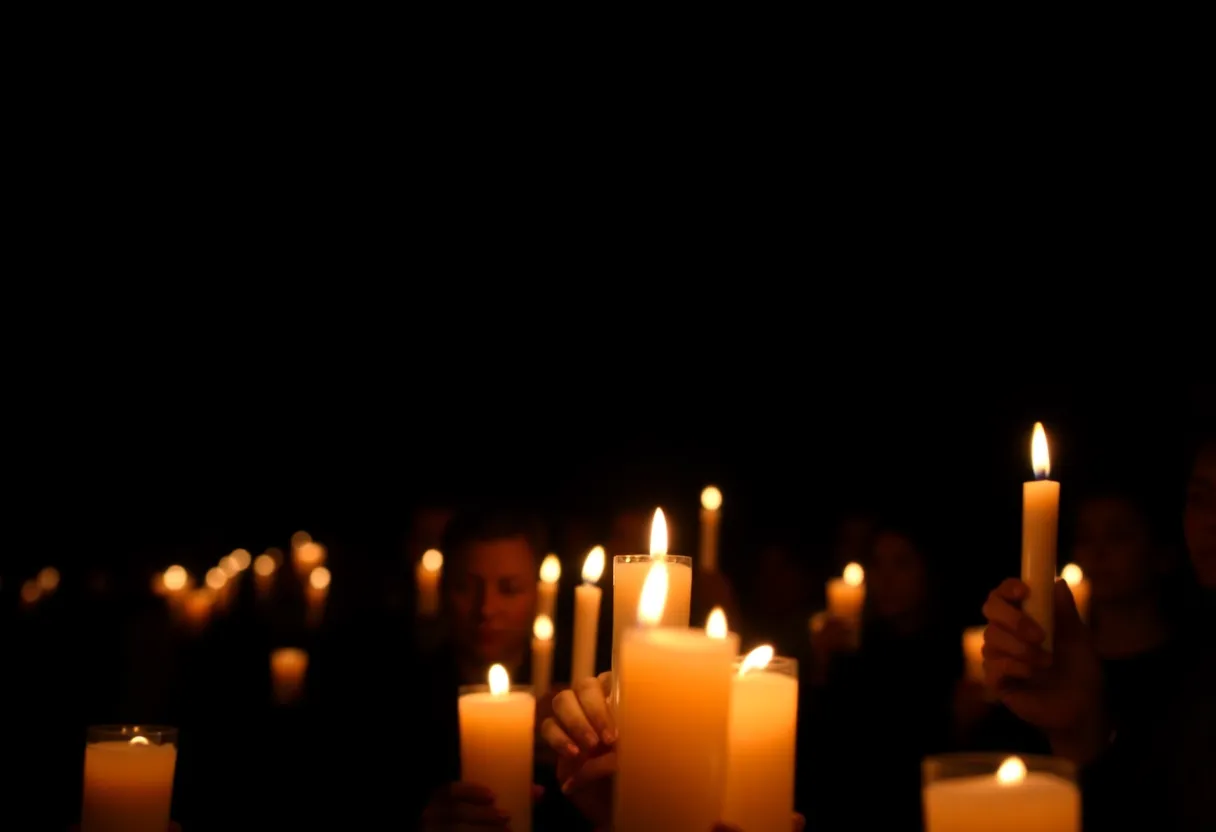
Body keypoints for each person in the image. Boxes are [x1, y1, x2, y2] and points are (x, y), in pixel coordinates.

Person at [981, 432, 1216, 828]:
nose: (1213, 519)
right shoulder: (1064, 667)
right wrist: (1080, 734)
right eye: (1201, 498)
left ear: (1162, 552)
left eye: (1119, 535)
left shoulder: (1187, 670)